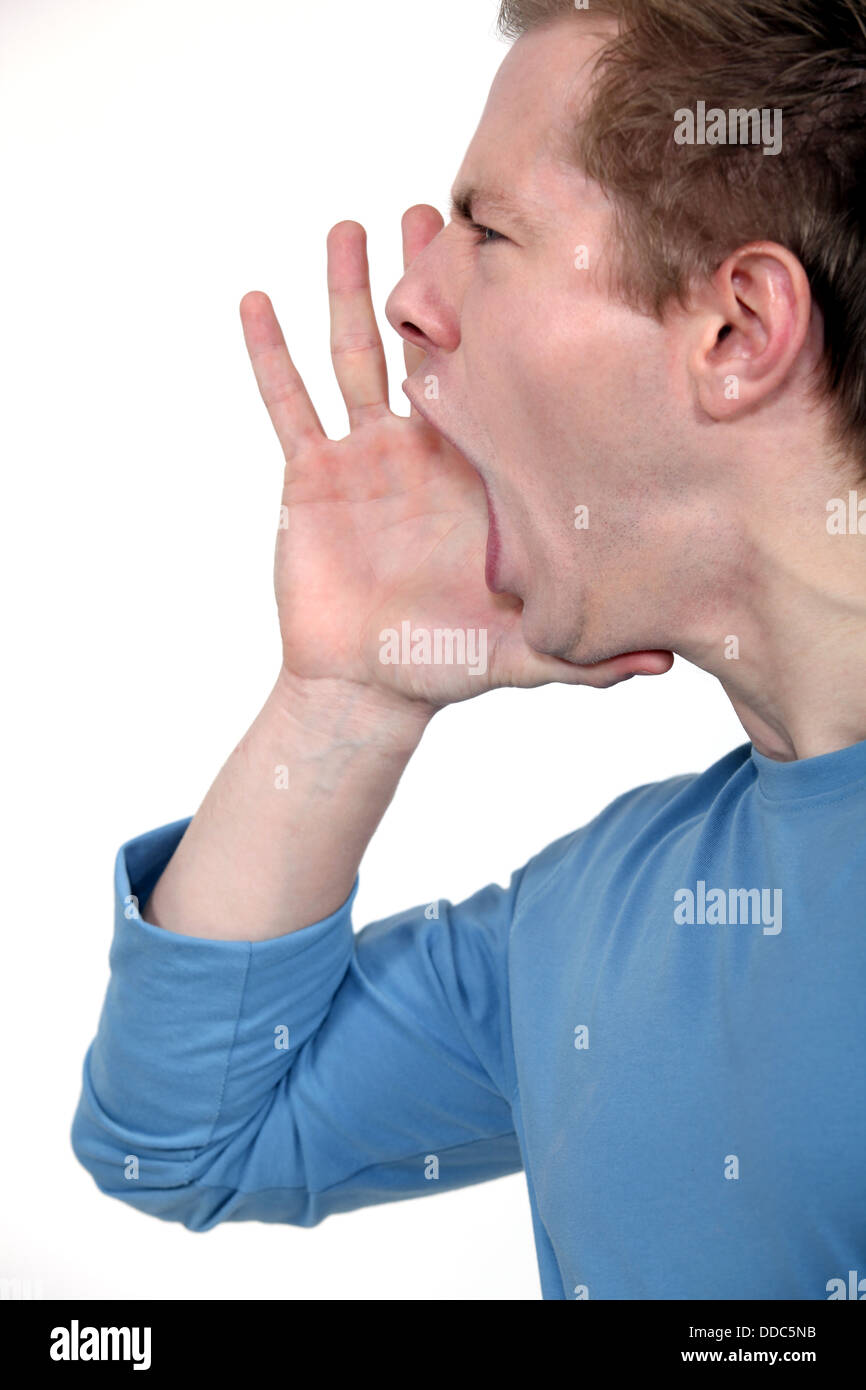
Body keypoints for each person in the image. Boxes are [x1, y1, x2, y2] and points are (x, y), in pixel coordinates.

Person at [71, 0, 866, 1299]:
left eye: (488, 231)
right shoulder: (595, 922)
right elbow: (189, 1138)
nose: (410, 296)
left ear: (736, 330)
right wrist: (346, 696)